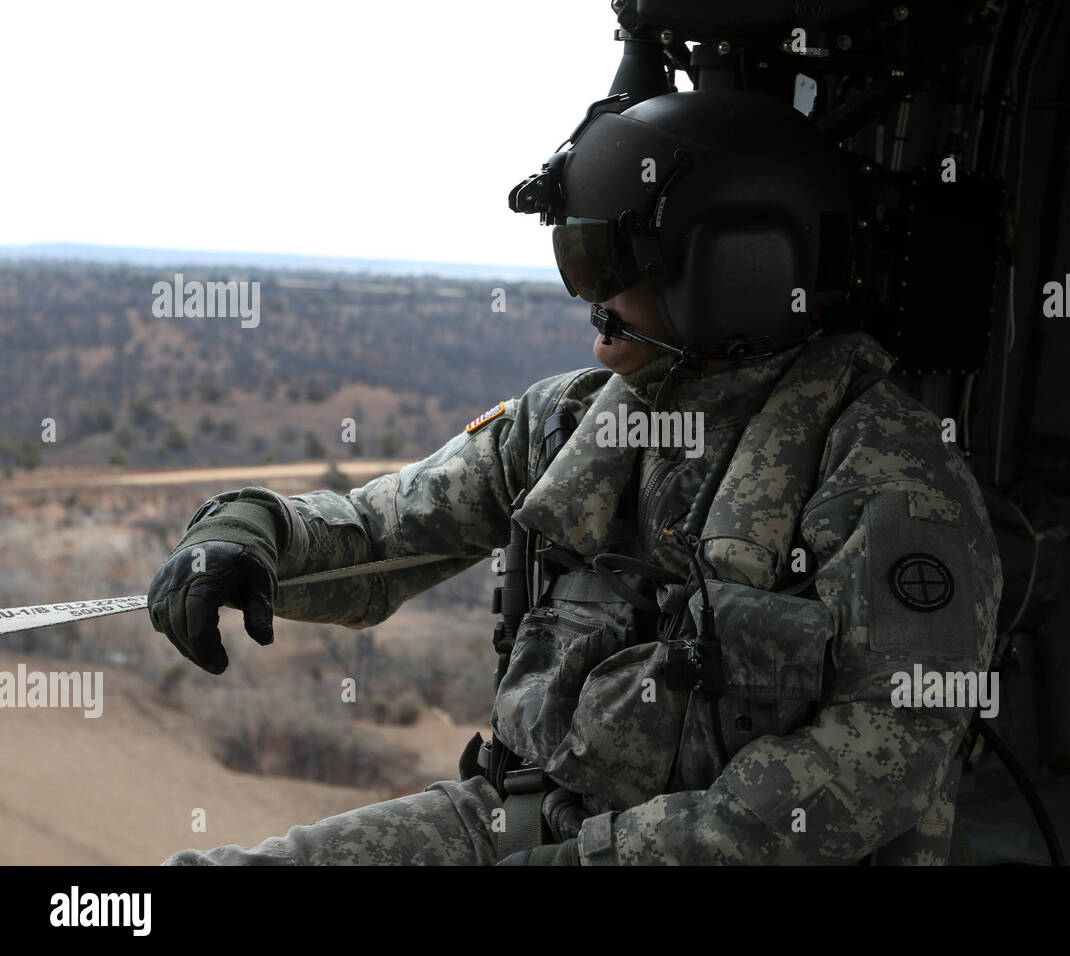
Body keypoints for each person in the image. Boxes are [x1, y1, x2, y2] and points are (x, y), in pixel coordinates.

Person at [150, 90, 1002, 865]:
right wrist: (246, 535)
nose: (588, 297)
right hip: (525, 822)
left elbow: (878, 761)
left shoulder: (888, 476)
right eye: (577, 261)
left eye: (612, 266)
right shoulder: (571, 421)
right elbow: (382, 533)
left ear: (738, 271)